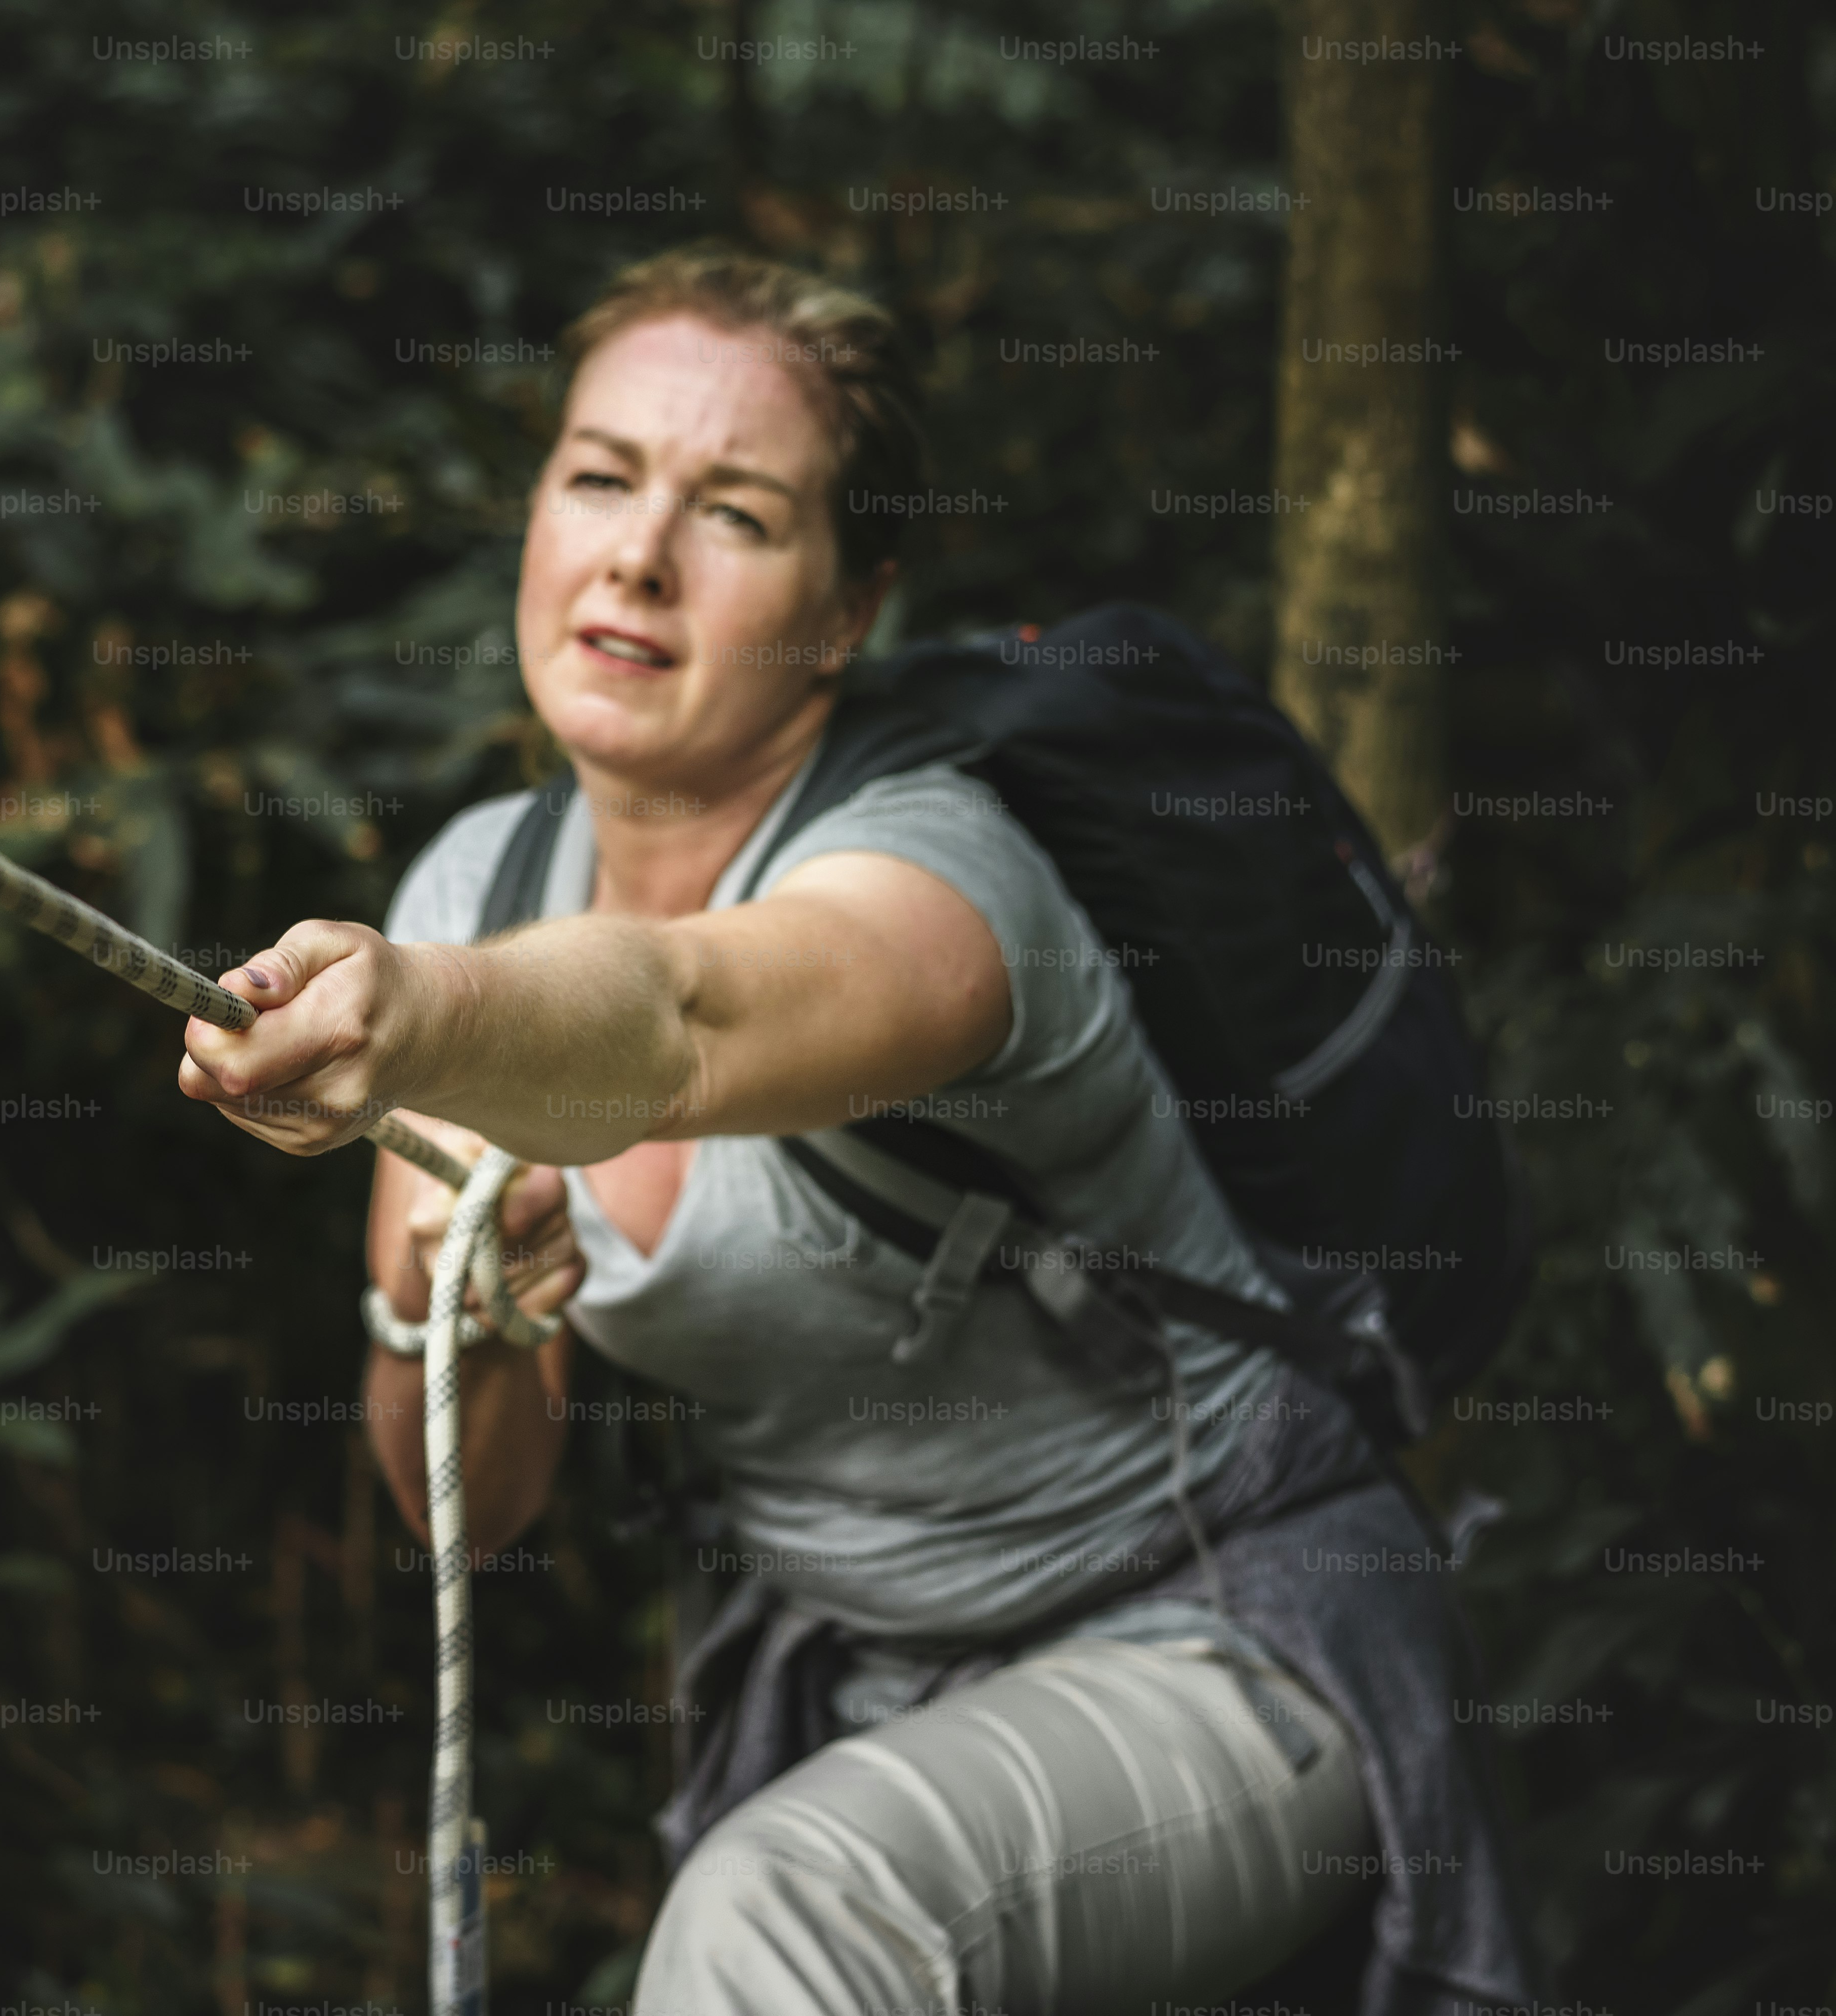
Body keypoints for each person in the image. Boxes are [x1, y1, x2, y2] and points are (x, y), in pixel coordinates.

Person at [178, 247, 1532, 2015]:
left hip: (1218, 1640)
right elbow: (469, 1505)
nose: (637, 556)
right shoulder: (468, 887)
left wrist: (426, 1014)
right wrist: (459, 1312)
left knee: (788, 1924)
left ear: (850, 605)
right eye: (599, 476)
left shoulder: (943, 877)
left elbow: (683, 1016)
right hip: (861, 1688)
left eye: (734, 513)